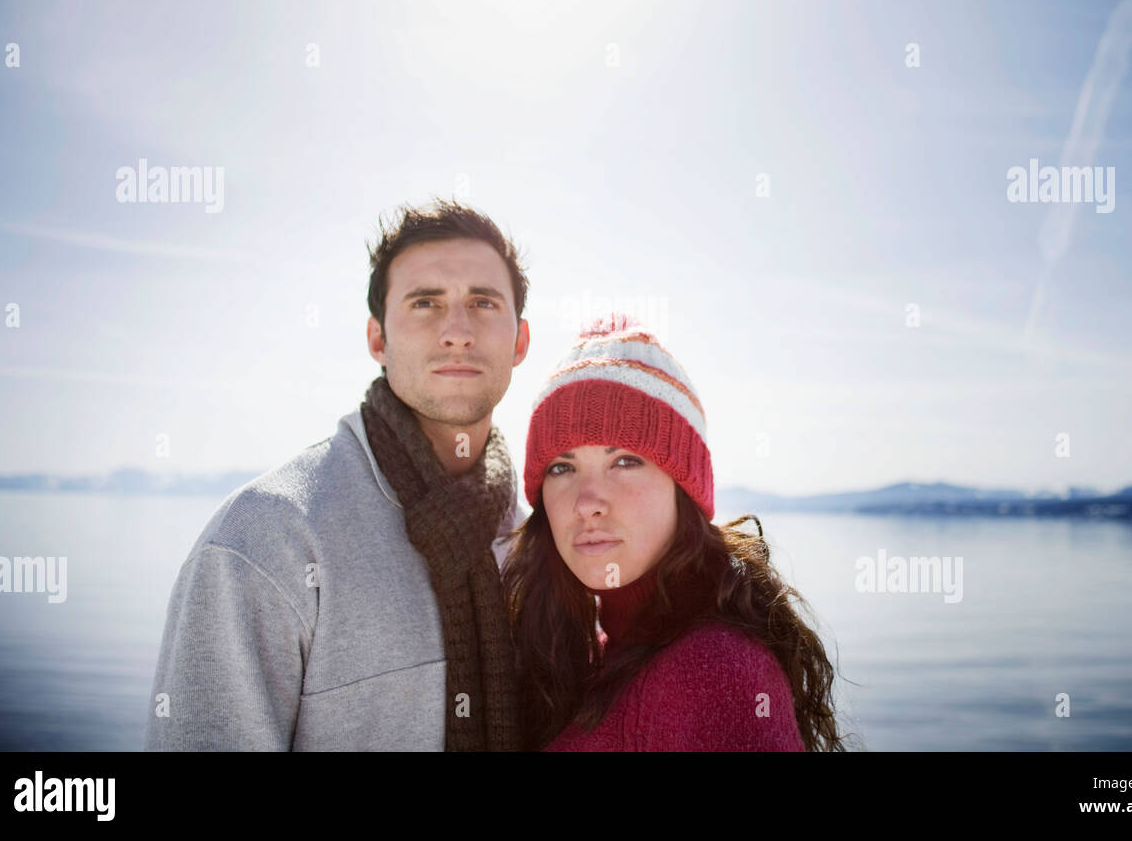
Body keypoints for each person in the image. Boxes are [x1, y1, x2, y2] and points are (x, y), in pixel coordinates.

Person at [146, 198, 531, 751]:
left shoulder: (537, 541)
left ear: (519, 341)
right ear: (378, 339)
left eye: (484, 302)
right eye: (425, 302)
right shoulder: (268, 537)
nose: (457, 331)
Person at [503, 315, 845, 751]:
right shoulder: (596, 650)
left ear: (684, 488)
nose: (586, 501)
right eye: (561, 467)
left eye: (624, 462)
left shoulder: (714, 671)